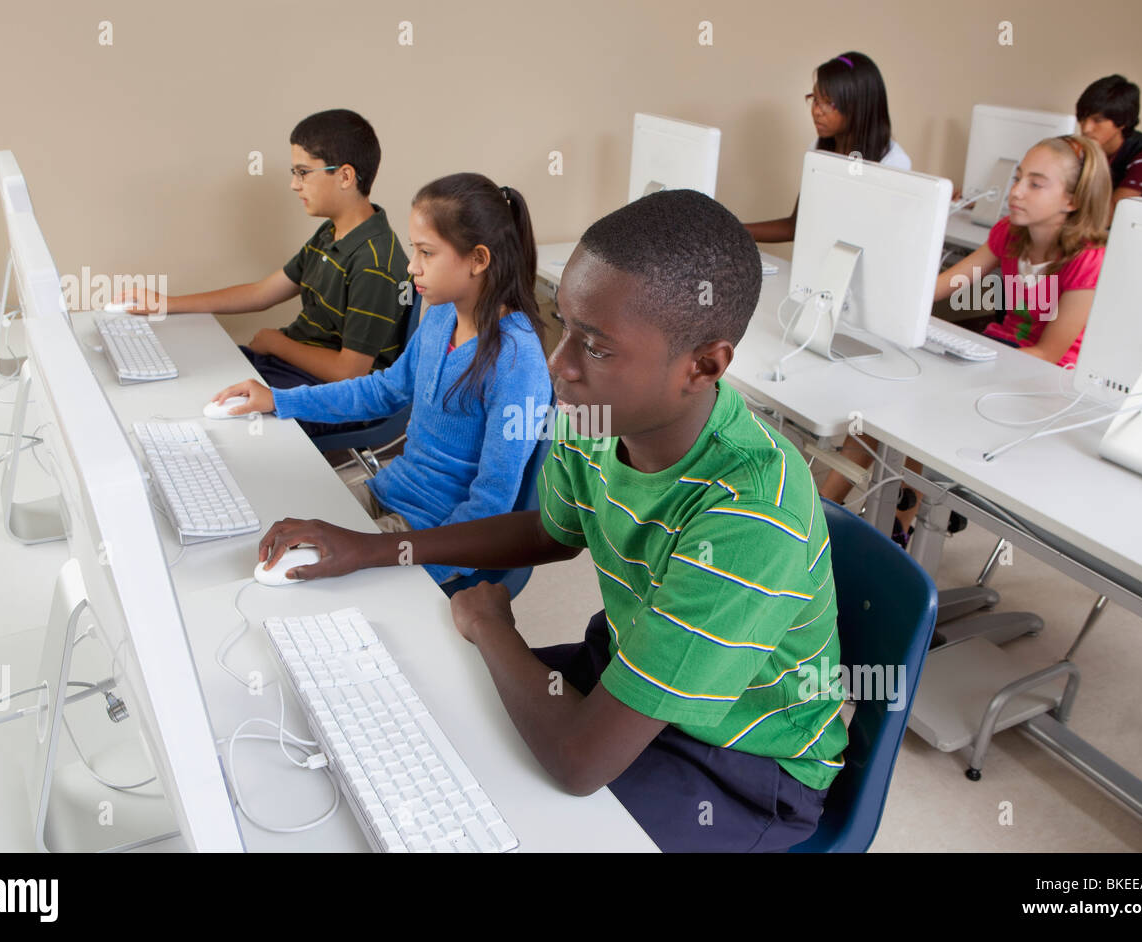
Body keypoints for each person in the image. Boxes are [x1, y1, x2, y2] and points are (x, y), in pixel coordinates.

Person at [257, 190, 848, 852]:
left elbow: (579, 761)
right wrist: (375, 550)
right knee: (415, 721)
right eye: (562, 325)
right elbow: (550, 531)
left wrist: (491, 625)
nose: (558, 366)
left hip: (740, 762)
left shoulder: (749, 514)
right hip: (624, 669)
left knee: (507, 823)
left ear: (704, 366)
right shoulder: (599, 419)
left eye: (593, 347)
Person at [213, 173, 551, 584]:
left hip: (429, 534)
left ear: (479, 259)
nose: (412, 267)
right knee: (260, 536)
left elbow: (491, 503)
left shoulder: (517, 360)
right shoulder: (443, 313)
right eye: (414, 249)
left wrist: (410, 575)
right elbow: (385, 390)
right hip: (387, 492)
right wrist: (279, 399)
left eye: (426, 253)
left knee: (290, 578)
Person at [821, 135, 1110, 540]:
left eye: (1035, 183)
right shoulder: (1011, 233)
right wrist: (880, 283)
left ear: (1072, 201)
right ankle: (827, 512)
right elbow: (939, 289)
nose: (1016, 190)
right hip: (1002, 355)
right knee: (887, 408)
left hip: (1047, 386)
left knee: (919, 410)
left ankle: (893, 520)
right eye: (1018, 177)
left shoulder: (1088, 262)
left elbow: (1048, 354)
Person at [119, 110, 410, 436]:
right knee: (189, 380)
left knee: (216, 417)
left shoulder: (375, 262)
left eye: (303, 173)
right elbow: (261, 293)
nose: (294, 184)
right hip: (289, 367)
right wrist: (166, 303)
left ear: (345, 176)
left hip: (326, 392)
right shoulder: (330, 235)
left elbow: (349, 374)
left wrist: (277, 344)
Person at [745, 51, 910, 244]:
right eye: (815, 99)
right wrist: (730, 229)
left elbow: (881, 242)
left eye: (828, 103)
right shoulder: (818, 149)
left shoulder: (893, 163)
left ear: (859, 106)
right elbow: (796, 226)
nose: (816, 111)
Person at [1076, 75, 1142, 221]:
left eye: (1098, 120)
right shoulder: (1083, 147)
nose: (1086, 128)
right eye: (1082, 118)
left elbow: (1110, 216)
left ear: (1122, 121)